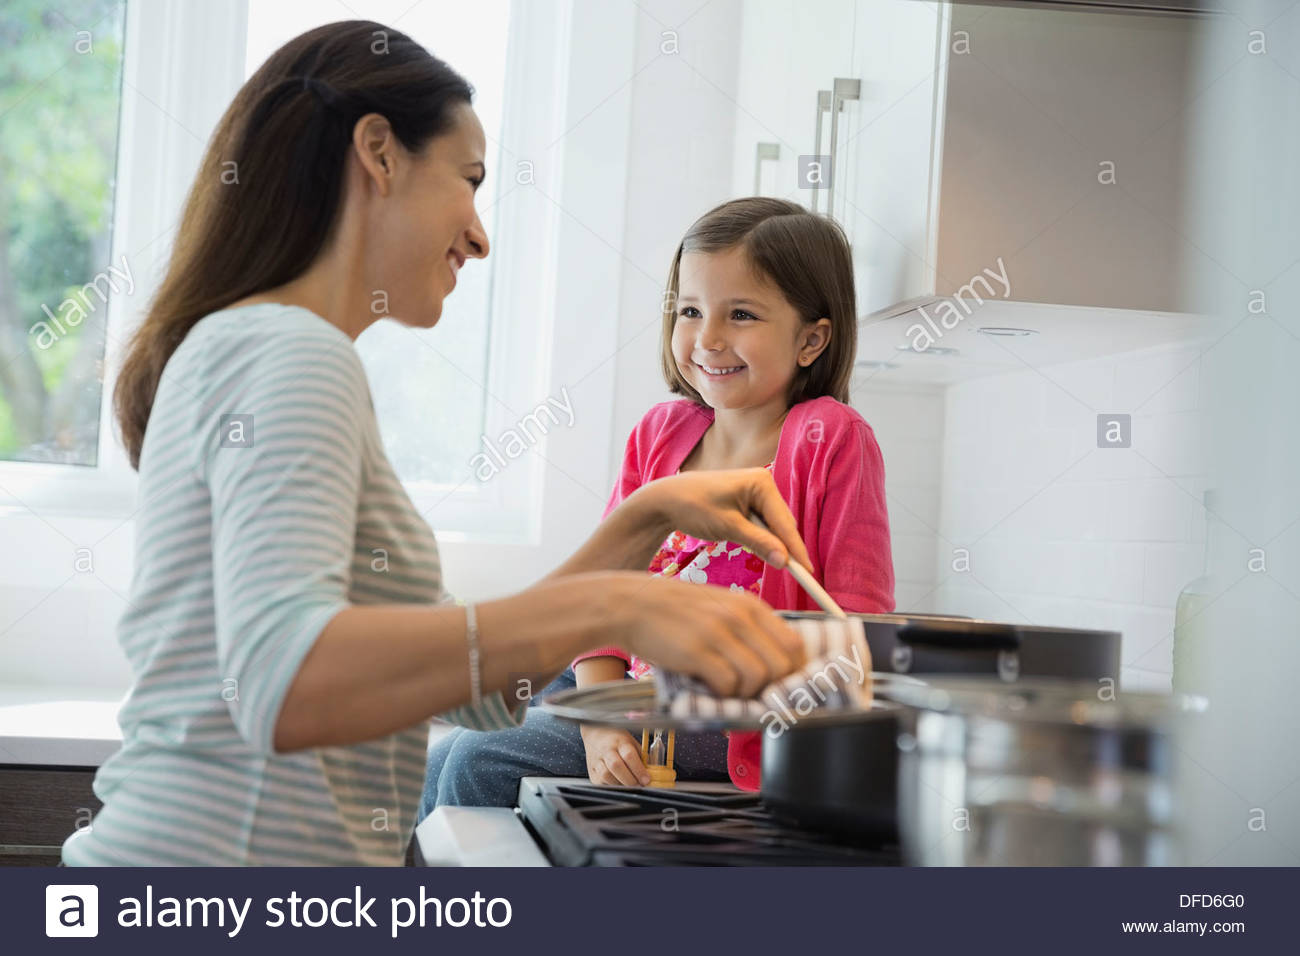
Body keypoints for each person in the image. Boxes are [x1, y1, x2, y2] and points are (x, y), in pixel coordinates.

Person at [60, 21, 808, 867]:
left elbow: (491, 691)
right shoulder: (288, 352)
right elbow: (287, 683)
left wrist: (649, 518)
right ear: (379, 153)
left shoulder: (263, 349)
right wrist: (622, 608)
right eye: (470, 179)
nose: (481, 235)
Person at [420, 197, 894, 812]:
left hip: (725, 718)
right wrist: (600, 719)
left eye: (742, 314)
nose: (709, 338)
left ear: (811, 340)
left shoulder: (830, 436)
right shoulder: (662, 430)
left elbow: (860, 619)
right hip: (617, 679)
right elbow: (603, 592)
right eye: (691, 310)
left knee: (482, 759)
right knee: (433, 758)